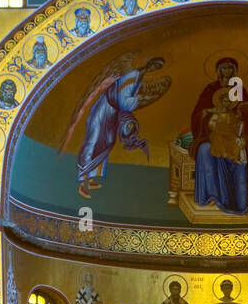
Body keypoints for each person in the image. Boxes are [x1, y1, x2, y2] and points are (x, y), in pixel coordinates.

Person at [60, 56, 168, 200]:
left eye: (158, 68)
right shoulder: (132, 75)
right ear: (149, 64)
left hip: (112, 114)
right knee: (92, 141)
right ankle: (81, 182)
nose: (154, 69)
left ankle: (91, 180)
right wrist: (141, 100)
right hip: (103, 109)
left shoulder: (139, 80)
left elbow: (123, 106)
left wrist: (129, 122)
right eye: (155, 65)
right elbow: (123, 102)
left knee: (108, 142)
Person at [190, 57, 248, 216]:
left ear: (234, 71)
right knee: (205, 150)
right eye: (224, 68)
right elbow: (198, 114)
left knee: (239, 157)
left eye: (230, 68)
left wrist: (242, 110)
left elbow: (247, 118)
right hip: (211, 136)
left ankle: (236, 203)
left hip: (234, 136)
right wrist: (207, 115)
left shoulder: (239, 89)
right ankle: (211, 196)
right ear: (218, 70)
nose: (227, 71)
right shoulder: (210, 89)